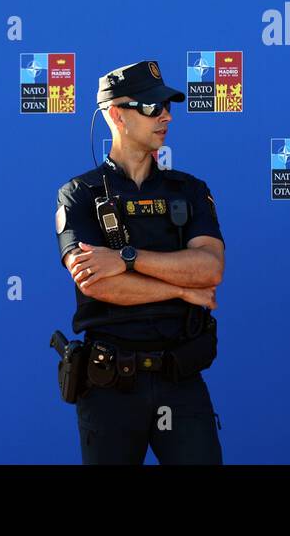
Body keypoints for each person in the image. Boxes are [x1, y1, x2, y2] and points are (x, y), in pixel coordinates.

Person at [54, 60, 226, 464]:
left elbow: (210, 269)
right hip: (110, 384)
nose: (165, 115)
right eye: (151, 107)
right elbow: (97, 284)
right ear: (116, 114)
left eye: (166, 106)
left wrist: (126, 258)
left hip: (180, 379)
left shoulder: (189, 189)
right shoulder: (78, 194)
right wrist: (182, 287)